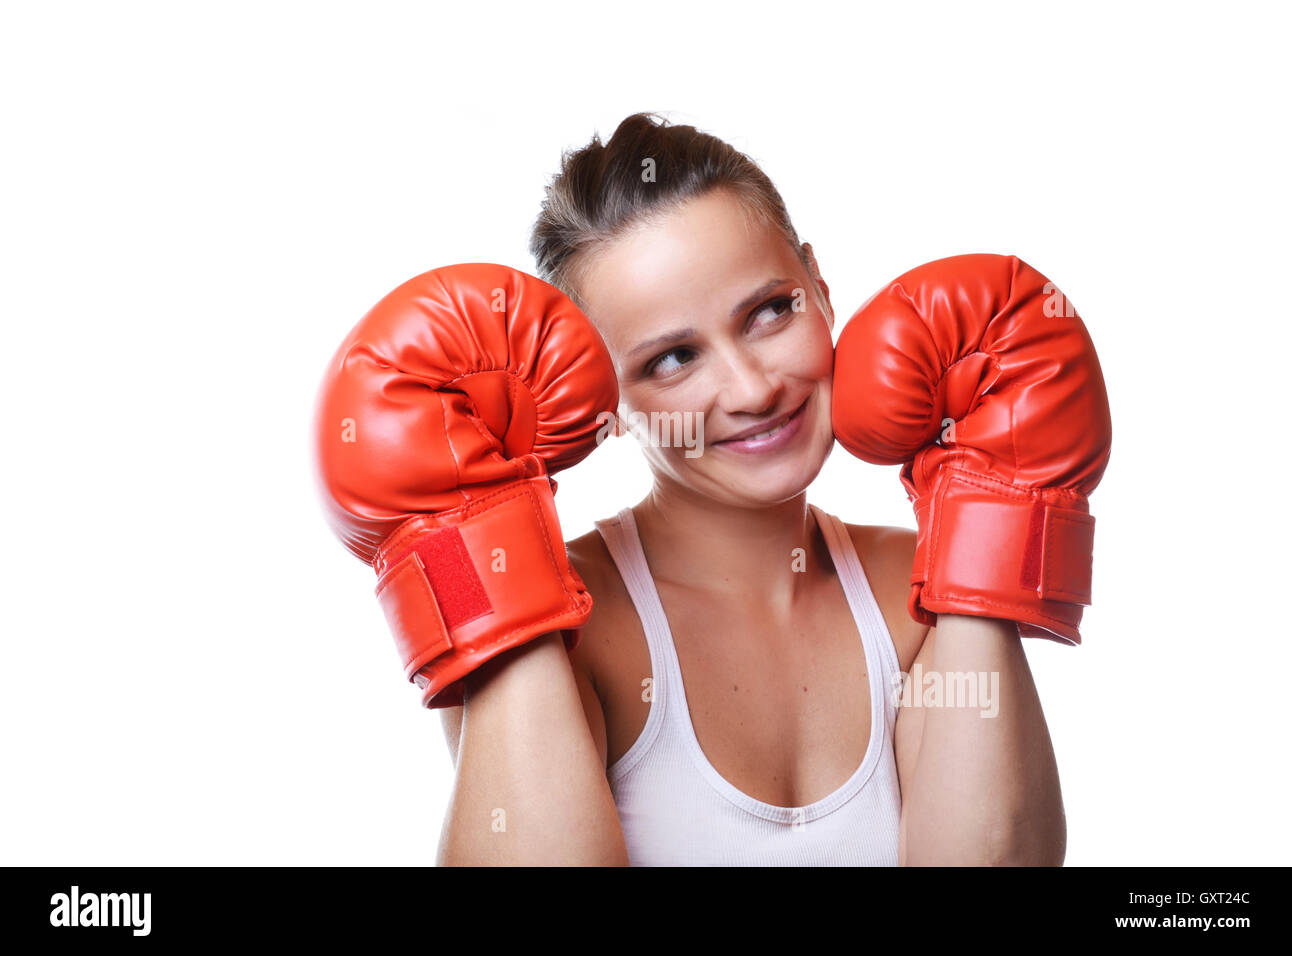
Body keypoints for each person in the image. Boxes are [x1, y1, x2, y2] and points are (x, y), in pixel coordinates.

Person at [313, 112, 1109, 866]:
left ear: (821, 289)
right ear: (604, 399)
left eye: (769, 311)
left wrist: (992, 514)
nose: (752, 388)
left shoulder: (921, 597)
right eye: (670, 359)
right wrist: (476, 547)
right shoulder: (554, 622)